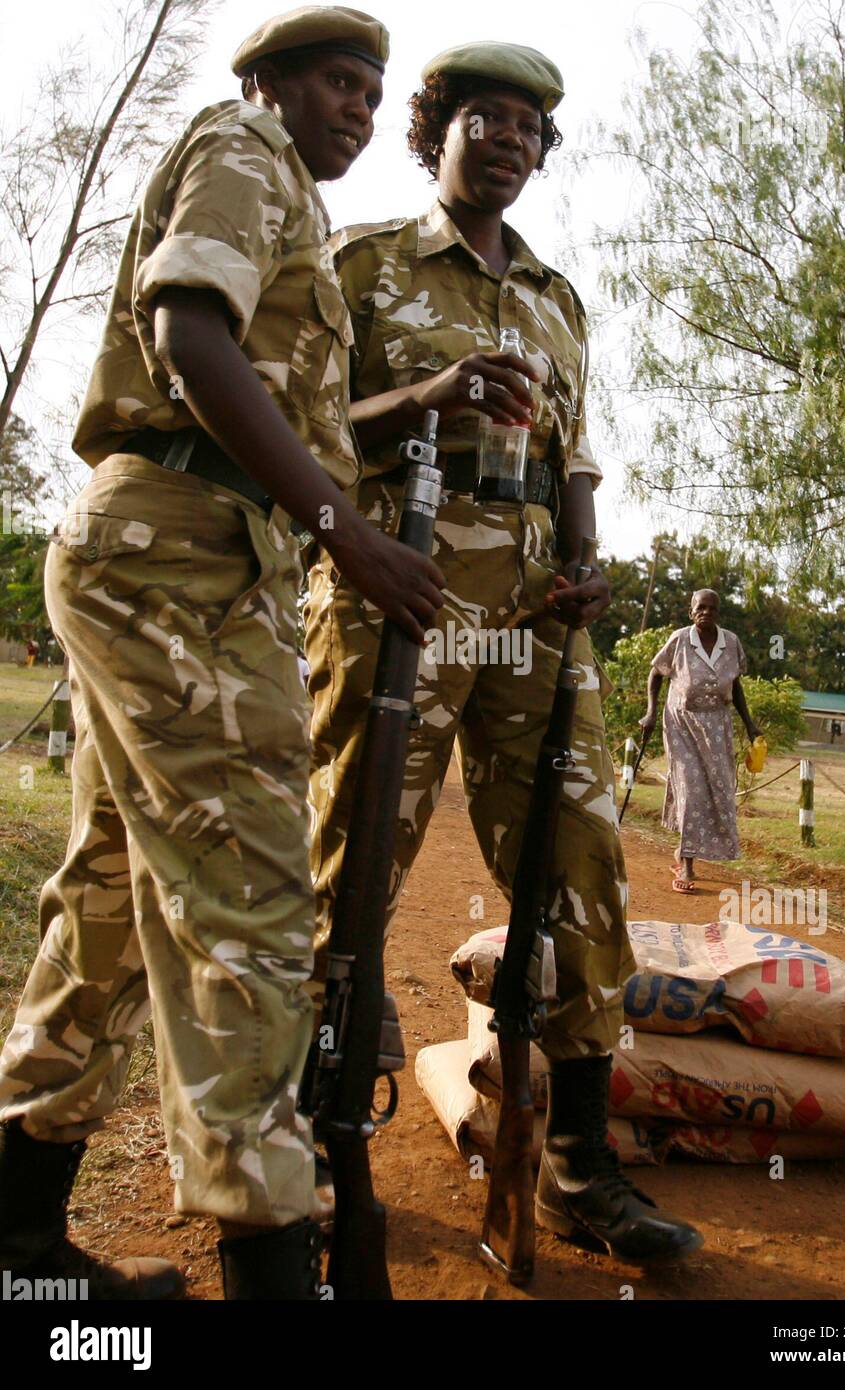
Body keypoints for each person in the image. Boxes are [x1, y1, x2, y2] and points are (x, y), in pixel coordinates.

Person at [0, 6, 444, 1302]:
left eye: (369, 92)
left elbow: (250, 372)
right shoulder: (245, 150)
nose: (354, 110)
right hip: (186, 548)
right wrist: (344, 533)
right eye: (333, 83)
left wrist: (393, 426)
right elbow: (192, 336)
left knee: (107, 901)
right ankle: (268, 1262)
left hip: (183, 548)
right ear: (268, 82)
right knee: (251, 901)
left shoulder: (279, 196)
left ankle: (21, 1246)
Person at [304, 42, 702, 1264]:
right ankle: (318, 1155)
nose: (509, 142)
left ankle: (579, 1167)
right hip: (399, 593)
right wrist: (426, 392)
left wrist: (586, 567)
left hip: (535, 615)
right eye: (484, 118)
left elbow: (577, 462)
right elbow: (303, 425)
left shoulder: (558, 299)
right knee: (353, 856)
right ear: (437, 132)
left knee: (579, 863)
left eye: (530, 128)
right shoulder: (365, 262)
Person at [640, 589, 761, 893]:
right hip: (681, 721)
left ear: (718, 613)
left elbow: (736, 684)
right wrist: (650, 713)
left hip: (717, 724)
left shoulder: (730, 643)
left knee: (717, 787)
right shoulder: (680, 639)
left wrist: (749, 724)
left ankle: (689, 849)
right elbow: (656, 673)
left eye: (712, 609)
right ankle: (687, 862)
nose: (706, 612)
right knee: (691, 786)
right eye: (700, 608)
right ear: (690, 611)